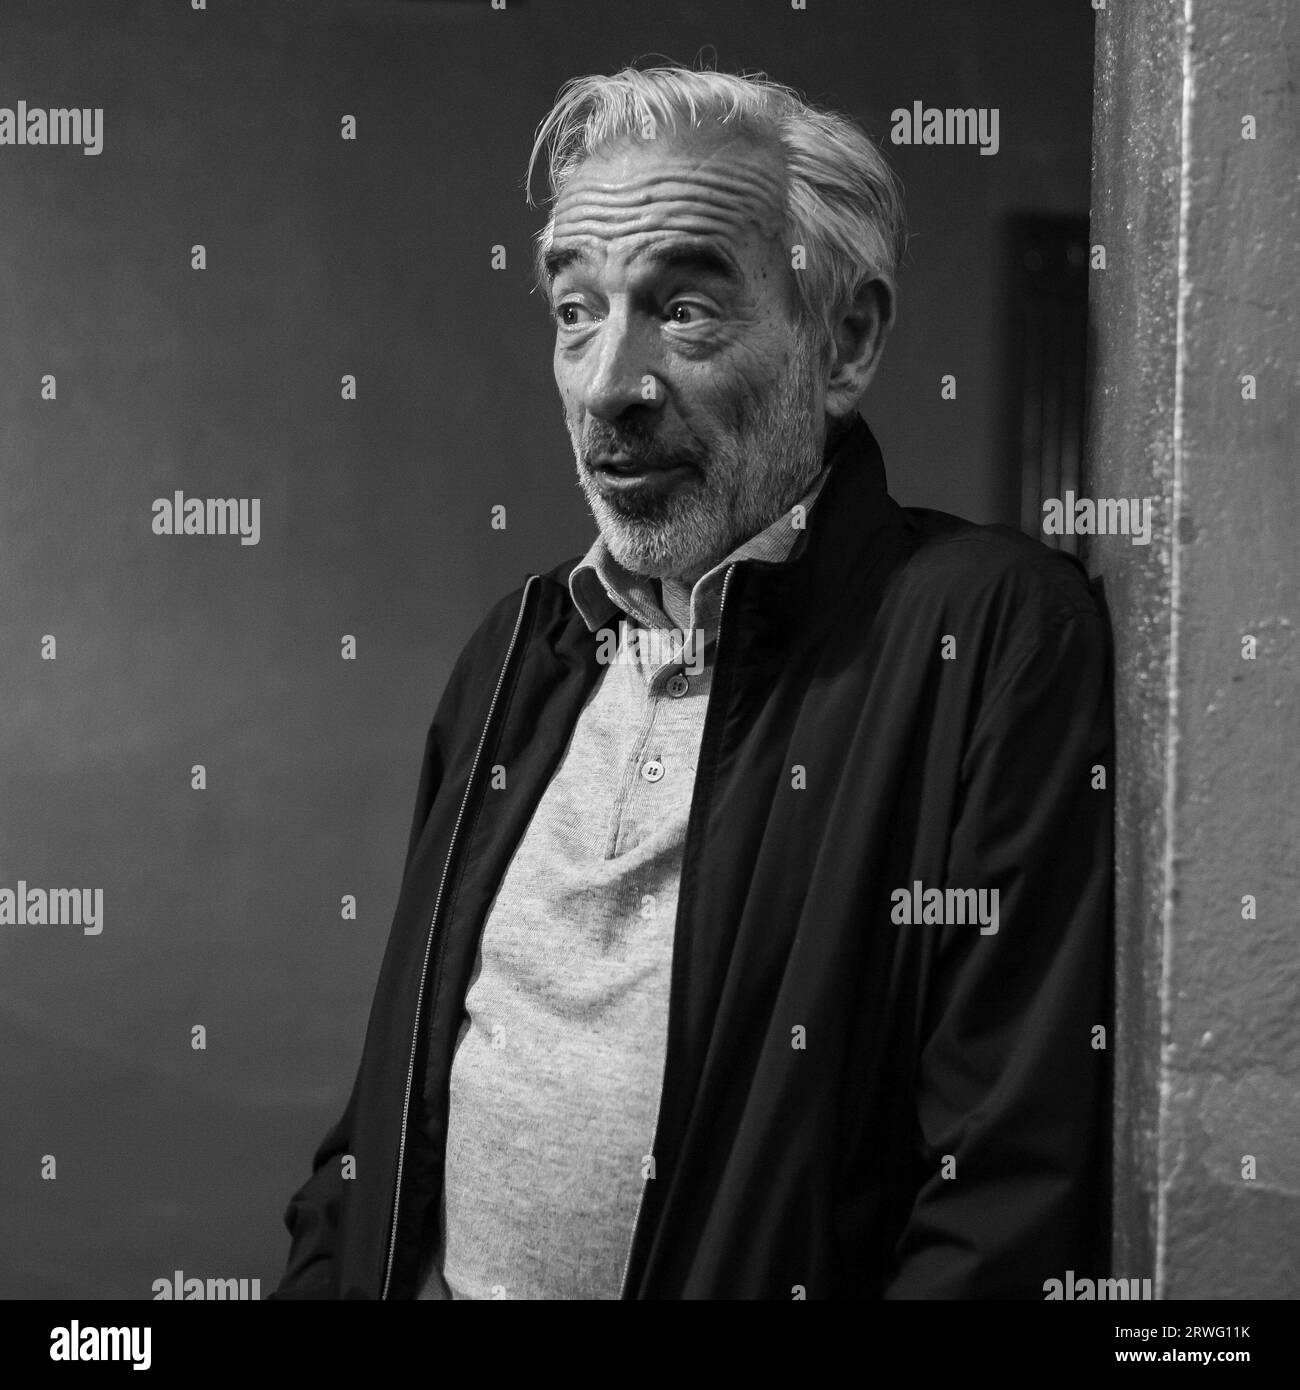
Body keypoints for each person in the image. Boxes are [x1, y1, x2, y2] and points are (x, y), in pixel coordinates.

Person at [273, 63, 1112, 1301]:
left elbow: (1001, 1199)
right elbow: (386, 1112)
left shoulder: (991, 639)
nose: (610, 382)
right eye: (575, 310)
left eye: (684, 308)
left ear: (847, 339)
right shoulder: (516, 651)